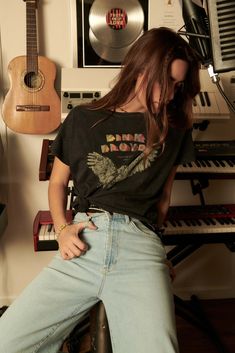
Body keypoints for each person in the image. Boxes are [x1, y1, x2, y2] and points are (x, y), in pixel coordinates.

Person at [0, 27, 200, 353]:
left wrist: (154, 256)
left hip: (140, 246)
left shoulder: (174, 129)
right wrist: (63, 230)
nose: (170, 95)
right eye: (167, 82)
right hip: (85, 240)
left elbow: (162, 199)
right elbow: (57, 182)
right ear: (141, 68)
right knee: (6, 341)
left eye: (178, 86)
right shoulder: (83, 119)